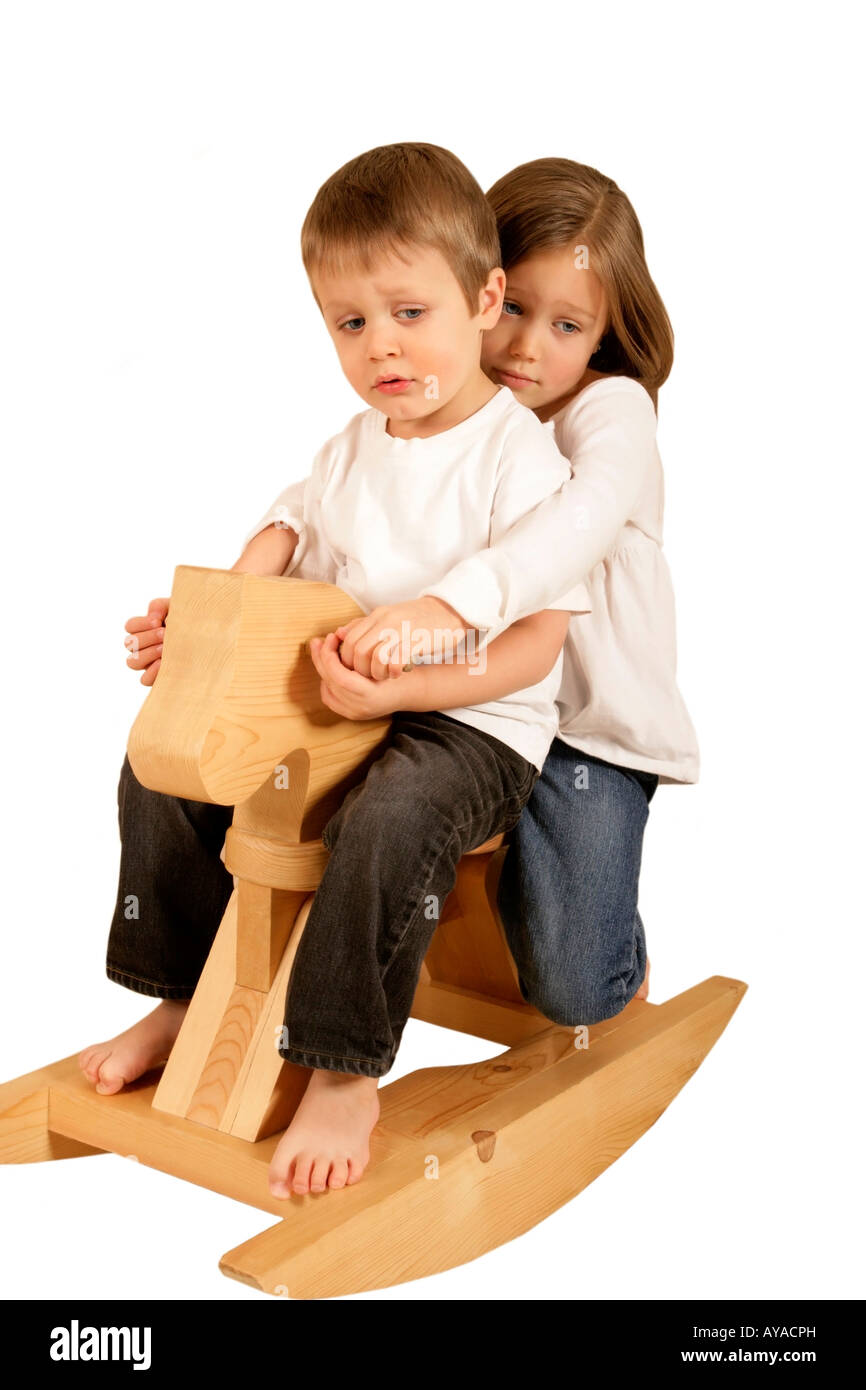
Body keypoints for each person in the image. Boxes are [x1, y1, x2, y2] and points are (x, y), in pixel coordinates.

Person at [78, 142, 588, 1199]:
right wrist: (215, 624)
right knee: (165, 763)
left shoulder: (519, 460)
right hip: (346, 699)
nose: (380, 348)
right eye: (349, 324)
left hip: (471, 721)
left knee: (389, 818)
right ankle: (178, 993)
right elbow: (284, 530)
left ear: (485, 299)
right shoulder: (352, 448)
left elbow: (535, 644)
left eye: (408, 313)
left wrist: (411, 683)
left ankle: (343, 1063)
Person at [334, 158, 700, 1028]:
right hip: (476, 711)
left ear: (606, 336)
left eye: (568, 324)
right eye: (518, 311)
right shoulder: (455, 411)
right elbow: (346, 482)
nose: (530, 346)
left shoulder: (610, 411)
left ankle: (616, 953)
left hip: (585, 735)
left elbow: (582, 517)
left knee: (572, 983)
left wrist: (453, 606)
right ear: (479, 293)